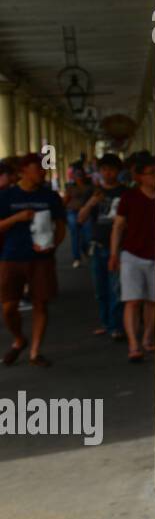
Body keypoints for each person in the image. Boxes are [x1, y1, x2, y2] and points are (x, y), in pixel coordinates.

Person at [0, 153, 66, 367]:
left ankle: (35, 352)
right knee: (9, 306)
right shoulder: (7, 196)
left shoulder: (50, 197)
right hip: (12, 255)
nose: (42, 173)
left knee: (40, 302)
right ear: (23, 171)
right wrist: (17, 218)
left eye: (43, 169)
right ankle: (19, 339)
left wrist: (52, 247)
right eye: (37, 169)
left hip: (42, 258)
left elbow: (61, 225)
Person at [110, 154, 155, 362]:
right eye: (152, 173)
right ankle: (133, 344)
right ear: (139, 177)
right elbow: (118, 226)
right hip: (131, 255)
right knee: (132, 301)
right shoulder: (129, 197)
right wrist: (114, 254)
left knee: (153, 301)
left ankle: (147, 338)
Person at [79, 152, 126, 339]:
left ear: (118, 171)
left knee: (116, 288)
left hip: (119, 247)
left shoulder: (126, 193)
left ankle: (116, 326)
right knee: (100, 289)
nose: (108, 174)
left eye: (112, 170)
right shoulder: (93, 193)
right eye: (104, 170)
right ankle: (106, 323)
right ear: (99, 171)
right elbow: (80, 219)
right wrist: (91, 203)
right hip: (97, 246)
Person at [62, 165, 93, 267]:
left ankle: (85, 248)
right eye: (77, 174)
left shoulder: (90, 186)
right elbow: (66, 200)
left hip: (86, 212)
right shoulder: (71, 187)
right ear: (74, 176)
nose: (79, 176)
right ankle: (77, 258)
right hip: (72, 211)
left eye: (81, 174)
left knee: (88, 235)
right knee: (75, 233)